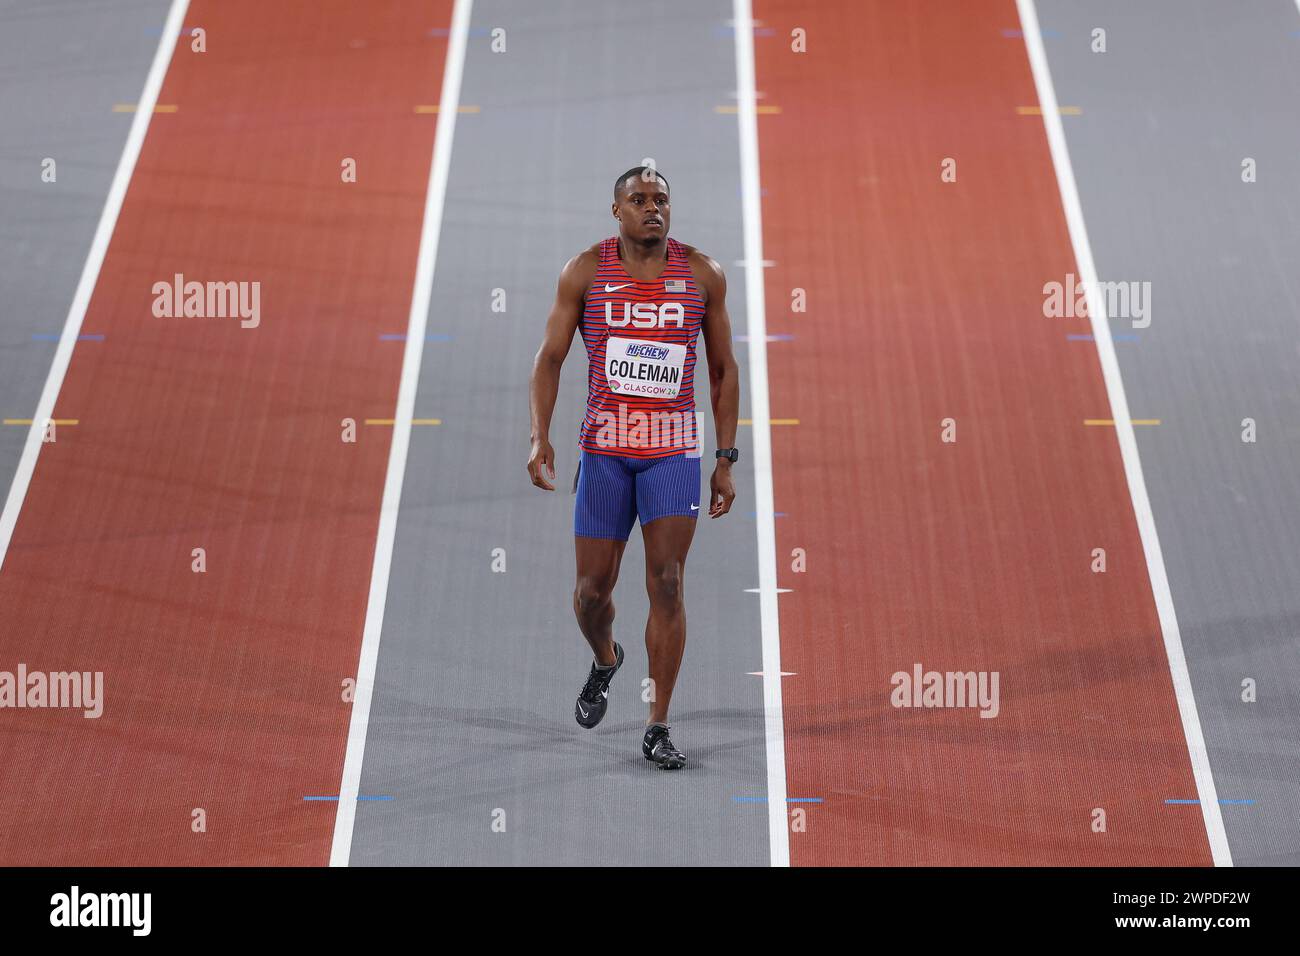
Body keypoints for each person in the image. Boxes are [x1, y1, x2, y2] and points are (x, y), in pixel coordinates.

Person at [527, 166, 740, 769]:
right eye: (639, 200)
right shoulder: (586, 272)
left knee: (667, 582)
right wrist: (540, 434)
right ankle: (604, 659)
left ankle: (657, 723)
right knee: (591, 592)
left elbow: (724, 372)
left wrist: (724, 459)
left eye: (662, 200)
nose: (653, 209)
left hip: (672, 450)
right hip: (605, 452)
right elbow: (550, 358)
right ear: (615, 210)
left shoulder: (701, 275)